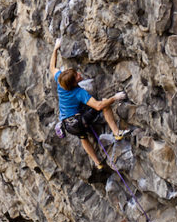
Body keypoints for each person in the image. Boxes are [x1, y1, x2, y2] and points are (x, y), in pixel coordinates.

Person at [49, 38, 128, 170]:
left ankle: (97, 163)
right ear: (74, 83)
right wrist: (114, 98)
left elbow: (52, 66)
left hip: (68, 126)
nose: (79, 74)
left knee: (82, 137)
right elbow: (98, 106)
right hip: (79, 121)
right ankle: (116, 132)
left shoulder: (60, 80)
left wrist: (56, 48)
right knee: (104, 103)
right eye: (77, 76)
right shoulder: (79, 92)